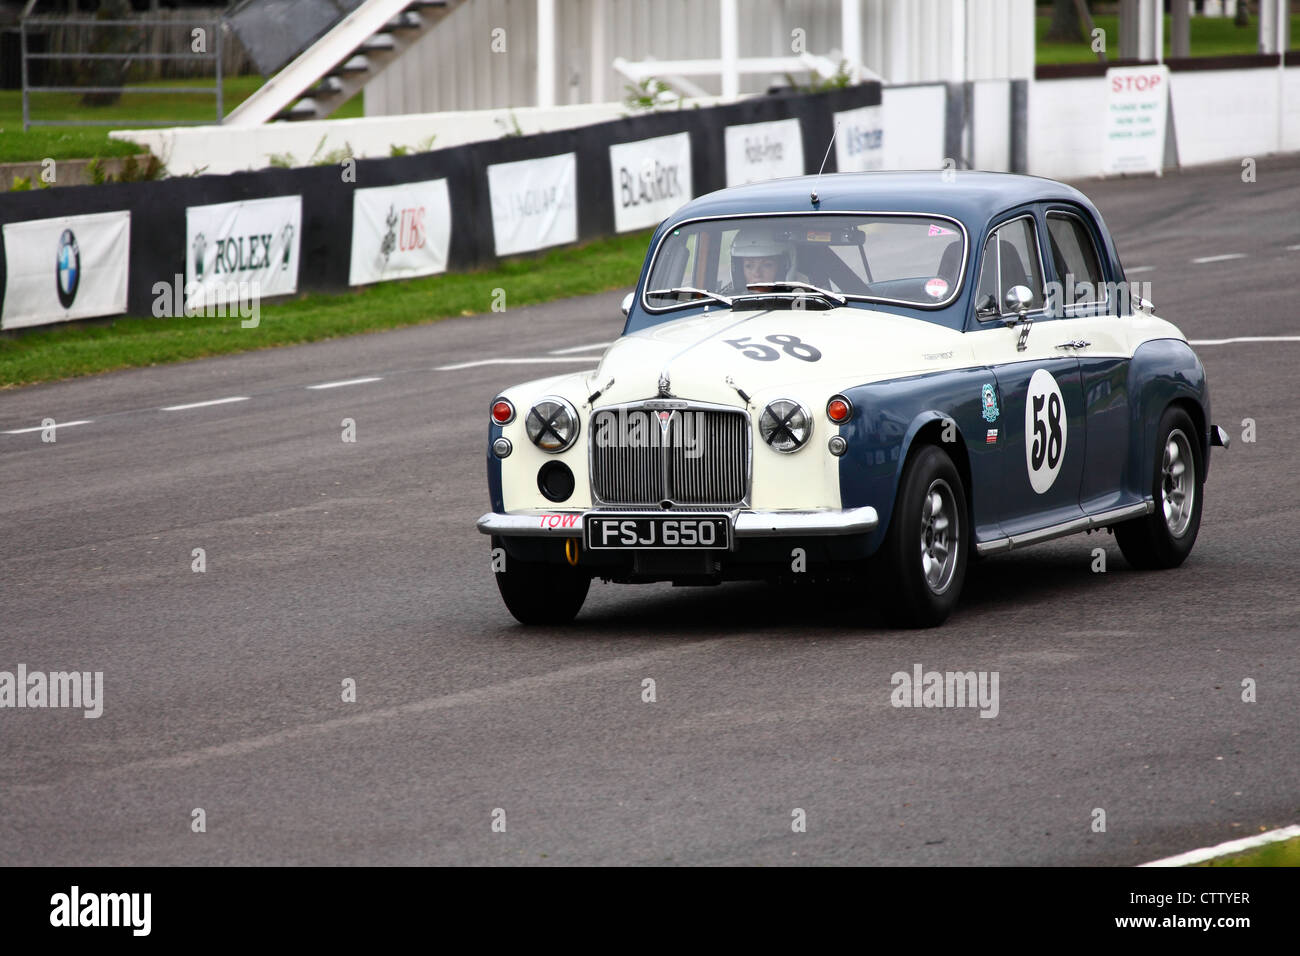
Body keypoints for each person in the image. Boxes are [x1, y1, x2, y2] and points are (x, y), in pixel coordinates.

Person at [721, 226, 807, 295]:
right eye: (748, 266)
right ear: (739, 270)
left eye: (767, 265)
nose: (757, 274)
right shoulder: (726, 300)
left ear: (784, 267)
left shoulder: (805, 297)